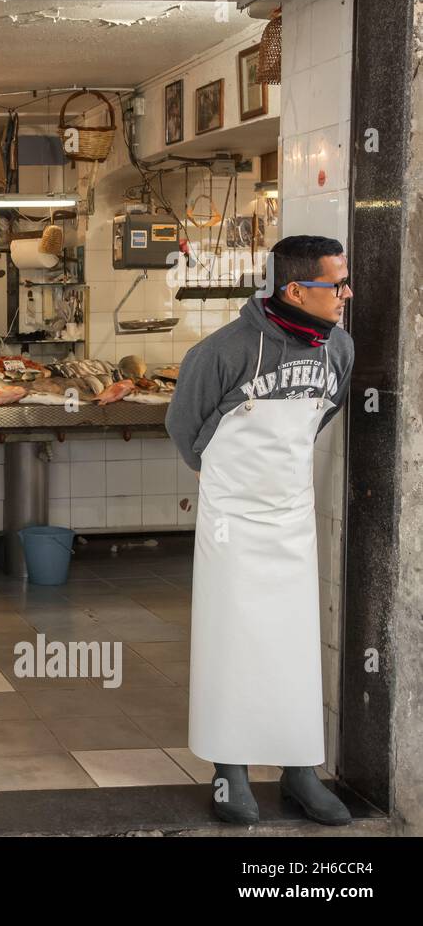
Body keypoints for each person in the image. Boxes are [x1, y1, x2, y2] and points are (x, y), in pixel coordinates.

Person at [166, 234, 355, 826]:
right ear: (296, 289)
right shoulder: (221, 352)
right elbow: (183, 427)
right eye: (337, 284)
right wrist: (229, 481)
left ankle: (301, 771)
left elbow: (325, 412)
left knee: (295, 648)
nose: (347, 294)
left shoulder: (339, 349)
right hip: (232, 525)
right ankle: (231, 772)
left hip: (292, 521)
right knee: (232, 645)